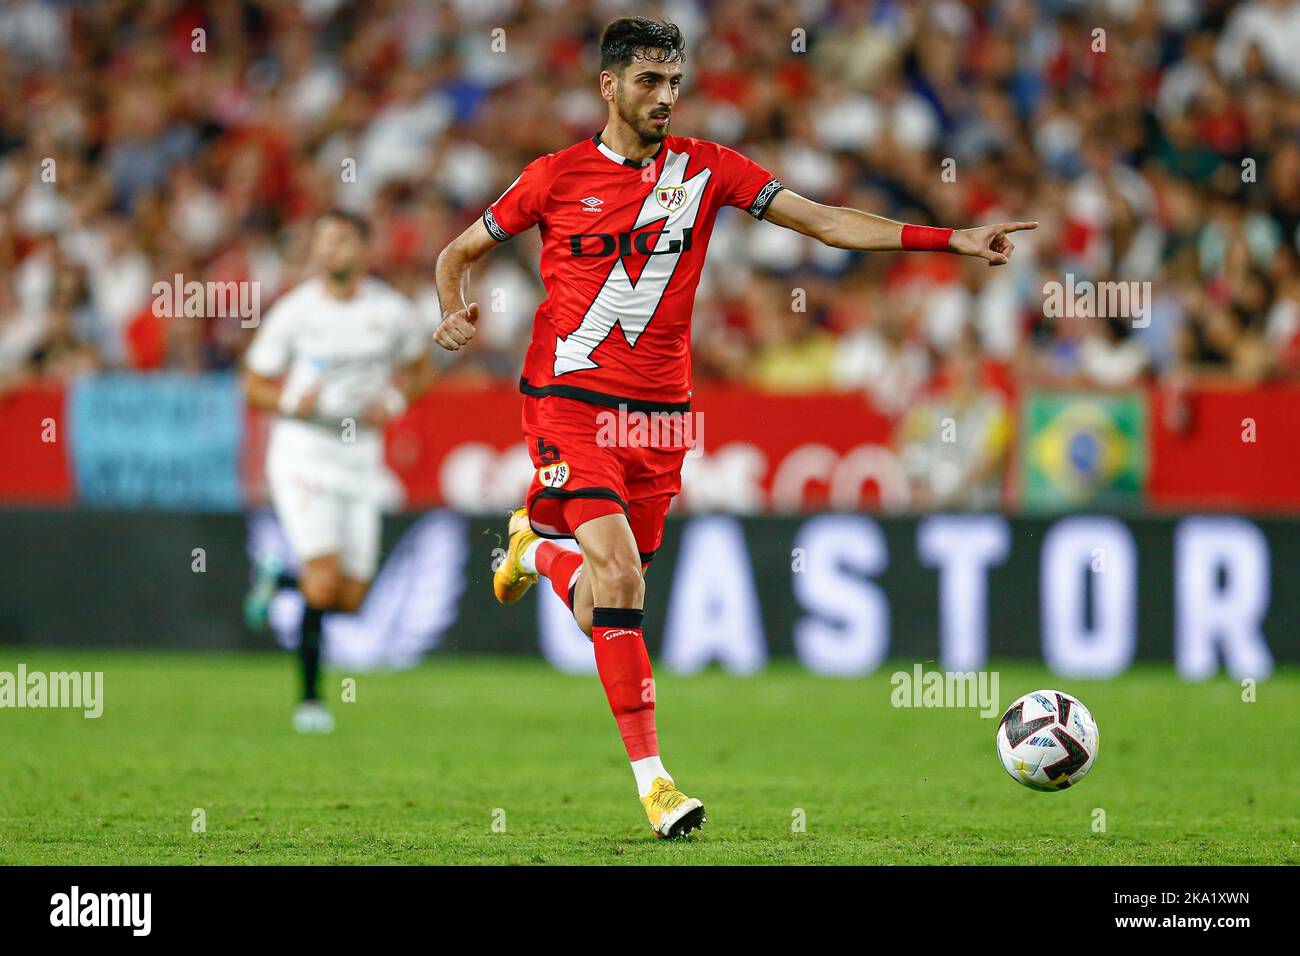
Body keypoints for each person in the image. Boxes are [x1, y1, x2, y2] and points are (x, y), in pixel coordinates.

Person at [432, 16, 1033, 837]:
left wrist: (948, 239)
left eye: (674, 82)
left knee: (610, 595)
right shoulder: (553, 176)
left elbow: (824, 221)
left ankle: (535, 551)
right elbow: (456, 252)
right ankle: (657, 784)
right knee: (619, 576)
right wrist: (451, 314)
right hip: (568, 406)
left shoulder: (707, 169)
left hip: (662, 422)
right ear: (608, 86)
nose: (665, 98)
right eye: (648, 82)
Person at [242, 210, 434, 733]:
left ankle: (278, 577)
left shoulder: (390, 311)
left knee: (351, 597)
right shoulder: (296, 311)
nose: (330, 250)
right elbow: (253, 382)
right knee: (324, 583)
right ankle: (310, 701)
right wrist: (287, 401)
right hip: (304, 450)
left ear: (364, 248)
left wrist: (394, 402)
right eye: (322, 240)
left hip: (359, 455)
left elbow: (421, 367)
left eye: (342, 240)